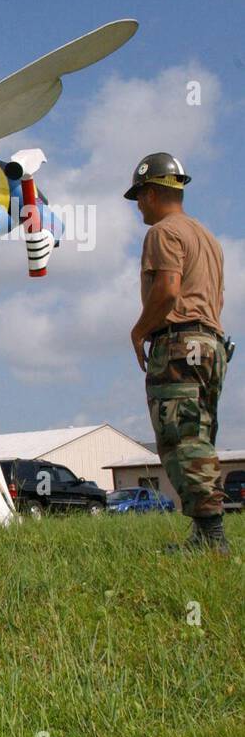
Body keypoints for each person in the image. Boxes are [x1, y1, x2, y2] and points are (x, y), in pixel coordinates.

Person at [126, 152, 231, 554]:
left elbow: (168, 290)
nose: (138, 206)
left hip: (179, 344)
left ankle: (210, 539)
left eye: (139, 197)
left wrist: (139, 331)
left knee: (182, 439)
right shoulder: (207, 237)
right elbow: (215, 298)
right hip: (211, 344)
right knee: (200, 436)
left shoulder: (162, 233)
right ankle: (208, 534)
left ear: (152, 193)